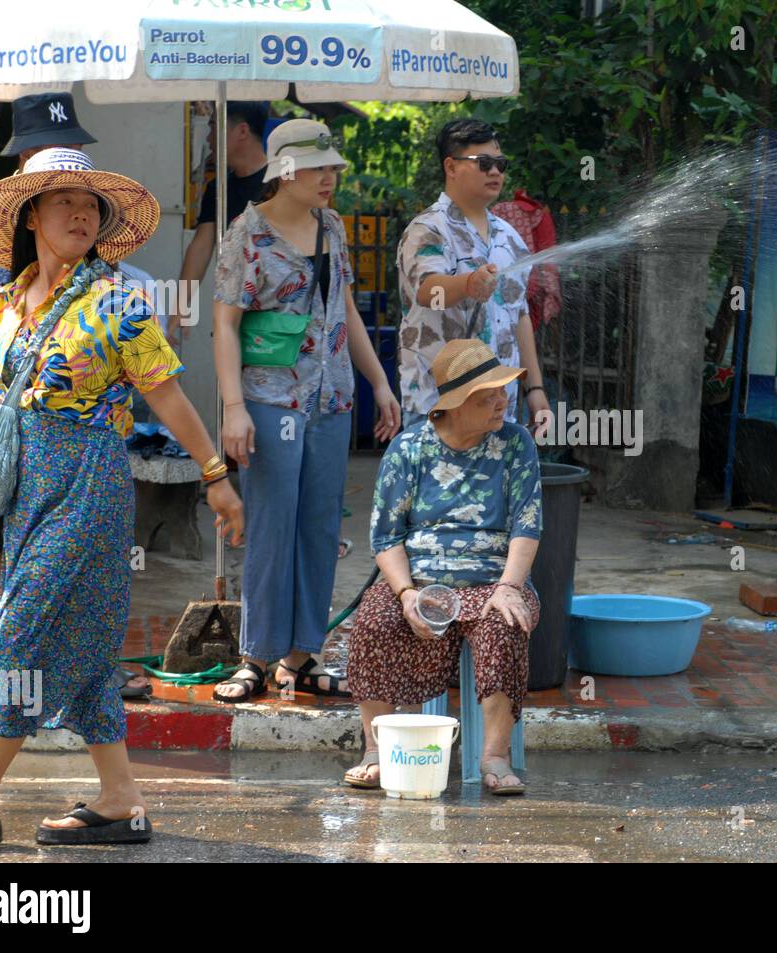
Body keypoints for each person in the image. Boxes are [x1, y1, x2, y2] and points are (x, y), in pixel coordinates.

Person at [0, 148, 245, 857]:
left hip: (90, 487)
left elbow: (167, 394)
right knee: (85, 646)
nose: (81, 214)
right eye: (63, 202)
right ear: (30, 218)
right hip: (24, 492)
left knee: (26, 628)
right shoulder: (2, 306)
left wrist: (215, 474)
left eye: (91, 206)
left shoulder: (116, 304)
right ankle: (122, 800)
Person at [0, 94, 152, 683]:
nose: (65, 158)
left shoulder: (86, 221)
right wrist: (5, 317)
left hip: (78, 422)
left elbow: (120, 313)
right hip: (0, 409)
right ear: (19, 156)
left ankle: (79, 675)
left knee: (78, 562)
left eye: (75, 148)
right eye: (46, 149)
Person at [211, 119, 400, 704]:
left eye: (333, 167)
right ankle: (256, 656)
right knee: (272, 523)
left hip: (331, 396)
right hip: (269, 398)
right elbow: (224, 324)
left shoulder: (333, 227)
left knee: (320, 526)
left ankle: (303, 654)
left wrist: (380, 383)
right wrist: (234, 408)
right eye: (320, 167)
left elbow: (344, 307)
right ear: (286, 171)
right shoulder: (247, 234)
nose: (331, 176)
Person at [343, 338, 542, 796]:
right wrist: (407, 594)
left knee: (504, 625)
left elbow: (527, 525)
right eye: (488, 395)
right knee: (373, 621)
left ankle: (494, 755)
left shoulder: (515, 444)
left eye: (503, 390)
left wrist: (510, 586)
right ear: (455, 405)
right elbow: (387, 537)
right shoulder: (409, 448)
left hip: (494, 580)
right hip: (421, 582)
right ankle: (376, 749)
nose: (502, 401)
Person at [395, 118, 550, 429]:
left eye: (500, 164)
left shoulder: (510, 237)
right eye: (483, 163)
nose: (495, 171)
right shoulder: (428, 229)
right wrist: (467, 284)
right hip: (438, 402)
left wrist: (535, 388)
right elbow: (428, 291)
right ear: (451, 167)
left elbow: (519, 315)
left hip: (498, 406)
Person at [173, 101, 270, 348]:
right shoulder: (218, 188)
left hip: (281, 320)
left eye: (213, 126)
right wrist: (181, 307)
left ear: (242, 131)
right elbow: (201, 247)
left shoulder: (281, 183)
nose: (208, 138)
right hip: (235, 319)